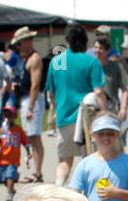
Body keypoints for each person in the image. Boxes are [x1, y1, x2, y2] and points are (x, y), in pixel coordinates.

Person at [46, 24, 108, 186]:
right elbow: (99, 92)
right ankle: (87, 194)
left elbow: (51, 94)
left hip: (64, 115)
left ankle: (59, 187)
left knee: (64, 160)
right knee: (90, 158)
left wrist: (55, 110)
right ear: (86, 41)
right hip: (87, 117)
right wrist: (106, 115)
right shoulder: (91, 62)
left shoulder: (57, 61)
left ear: (67, 41)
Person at [9, 28, 45, 183]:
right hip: (25, 98)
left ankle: (37, 172)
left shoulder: (35, 59)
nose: (18, 47)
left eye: (19, 43)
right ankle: (36, 171)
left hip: (32, 100)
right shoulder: (26, 59)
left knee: (34, 137)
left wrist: (30, 107)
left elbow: (35, 85)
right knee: (31, 136)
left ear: (26, 41)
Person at [0, 103, 30, 201]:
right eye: (5, 115)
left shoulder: (18, 130)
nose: (7, 118)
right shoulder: (1, 130)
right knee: (3, 178)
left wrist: (28, 153)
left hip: (13, 159)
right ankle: (11, 188)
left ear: (14, 116)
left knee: (10, 176)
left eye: (9, 115)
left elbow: (26, 142)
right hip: (2, 159)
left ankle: (9, 194)